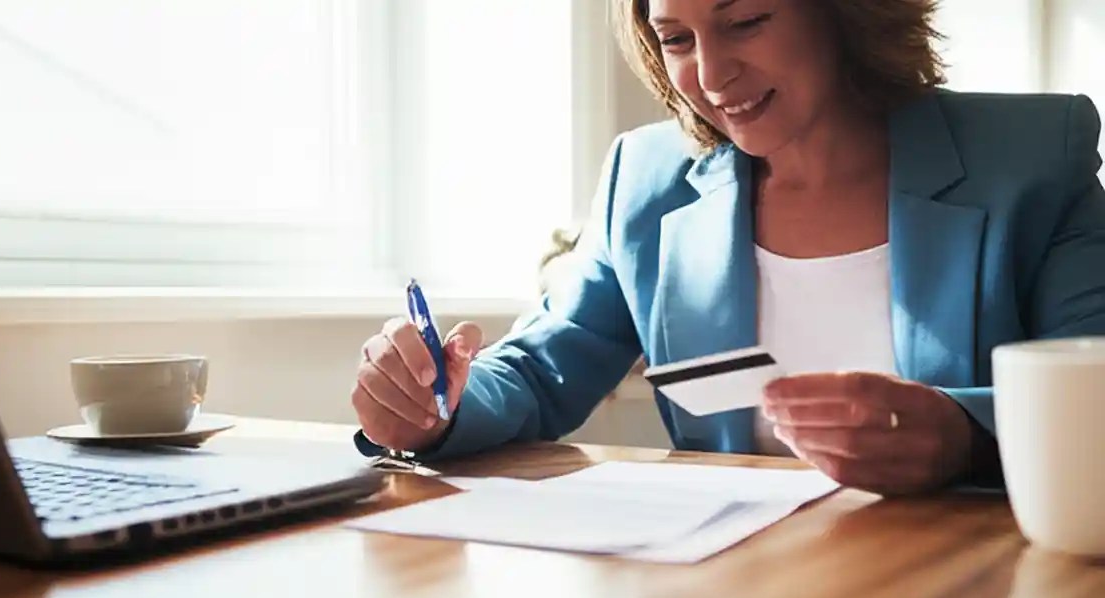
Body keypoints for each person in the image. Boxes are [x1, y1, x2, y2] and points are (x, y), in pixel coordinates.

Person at [350, 0, 1105, 495]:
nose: (709, 77)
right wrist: (435, 407)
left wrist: (964, 436)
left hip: (966, 589)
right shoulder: (645, 180)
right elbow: (538, 372)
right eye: (676, 39)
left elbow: (1096, 395)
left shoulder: (1034, 157)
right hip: (732, 595)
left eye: (745, 22)